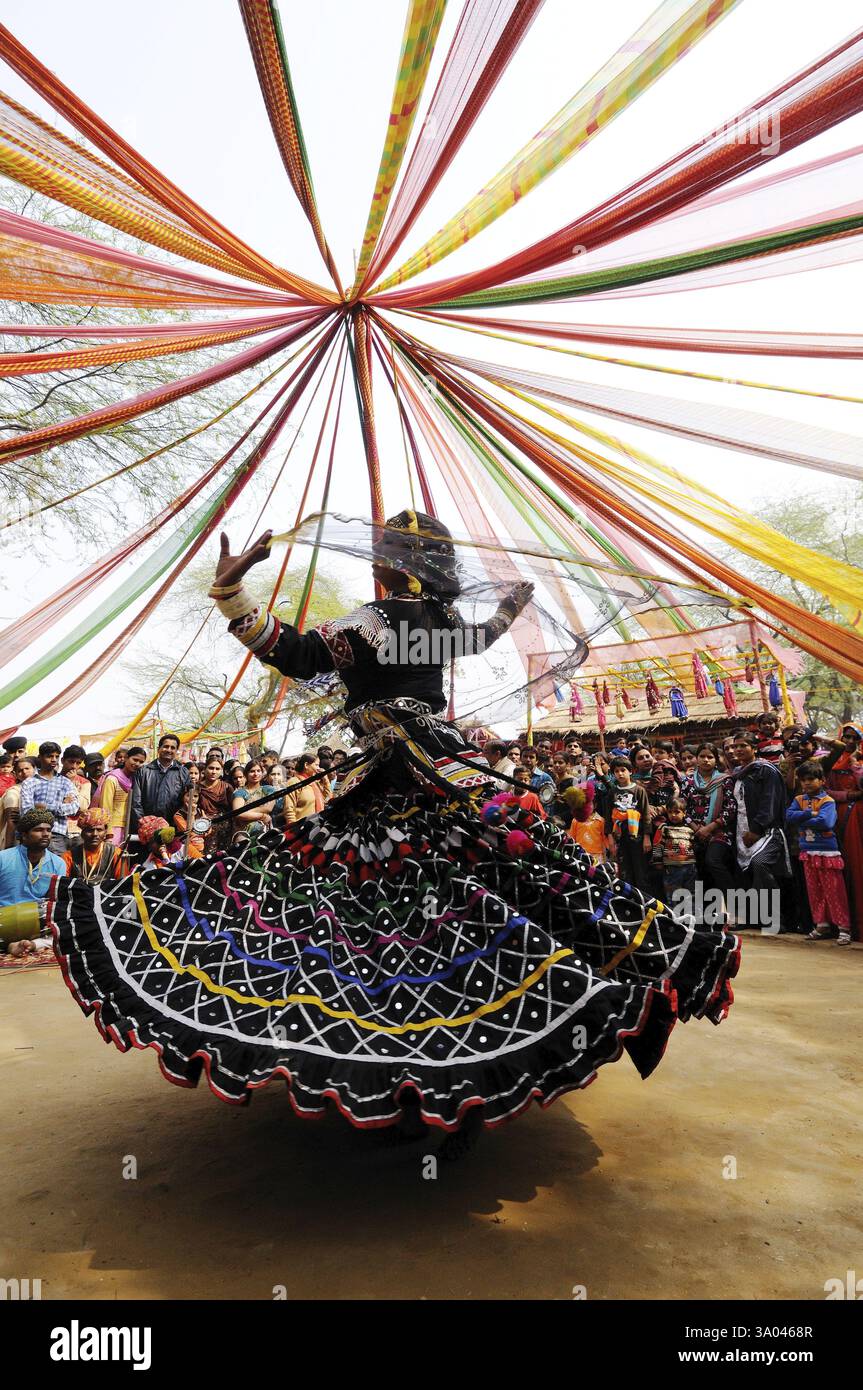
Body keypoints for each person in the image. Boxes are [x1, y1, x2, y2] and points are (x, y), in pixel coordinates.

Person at [50, 513, 739, 1149]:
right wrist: (510, 604)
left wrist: (231, 595)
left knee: (342, 906)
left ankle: (400, 1071)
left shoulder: (376, 619)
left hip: (397, 774)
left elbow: (293, 653)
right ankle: (463, 1066)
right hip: (431, 767)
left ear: (384, 567)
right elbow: (485, 635)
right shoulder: (438, 623)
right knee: (496, 885)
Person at [731, 731, 791, 933]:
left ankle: (776, 919)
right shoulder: (739, 773)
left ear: (754, 748)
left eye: (743, 746)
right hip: (742, 829)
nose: (738, 750)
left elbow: (770, 800)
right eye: (735, 746)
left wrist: (756, 829)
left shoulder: (766, 770)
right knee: (743, 873)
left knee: (760, 864)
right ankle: (750, 918)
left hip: (766, 830)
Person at [786, 762, 851, 944]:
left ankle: (843, 927)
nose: (806, 783)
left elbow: (827, 822)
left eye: (811, 779)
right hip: (807, 851)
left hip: (827, 852)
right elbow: (789, 816)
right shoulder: (799, 799)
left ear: (822, 780)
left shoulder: (828, 801)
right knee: (815, 891)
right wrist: (812, 814)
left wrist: (804, 816)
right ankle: (822, 924)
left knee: (834, 891)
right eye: (803, 780)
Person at [19, 742, 79, 856]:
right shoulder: (29, 782)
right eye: (49, 756)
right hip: (33, 834)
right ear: (40, 757)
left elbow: (74, 808)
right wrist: (61, 805)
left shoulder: (65, 782)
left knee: (55, 870)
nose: (54, 760)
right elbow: (26, 811)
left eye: (57, 756)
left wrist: (44, 806)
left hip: (57, 834)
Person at [0, 806, 66, 907]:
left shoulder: (58, 864)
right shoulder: (3, 858)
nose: (45, 834)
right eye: (39, 830)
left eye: (48, 830)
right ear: (24, 835)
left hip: (37, 919)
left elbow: (55, 901)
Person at [603, 756, 652, 891]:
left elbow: (646, 814)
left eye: (623, 770)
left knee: (641, 870)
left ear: (630, 771)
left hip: (637, 835)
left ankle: (645, 901)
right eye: (616, 771)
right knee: (625, 871)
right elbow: (608, 817)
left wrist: (647, 837)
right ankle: (629, 901)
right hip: (619, 835)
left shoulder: (639, 790)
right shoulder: (612, 792)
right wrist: (611, 839)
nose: (620, 773)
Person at [130, 734, 190, 833]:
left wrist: (178, 825)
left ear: (176, 751)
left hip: (172, 829)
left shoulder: (183, 773)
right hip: (146, 829)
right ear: (159, 749)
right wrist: (145, 825)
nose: (169, 750)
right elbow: (136, 802)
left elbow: (185, 802)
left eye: (173, 748)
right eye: (166, 746)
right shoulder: (143, 771)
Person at [93, 746, 147, 847]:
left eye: (141, 762)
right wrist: (108, 833)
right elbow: (106, 806)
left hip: (129, 827)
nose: (137, 764)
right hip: (113, 828)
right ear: (126, 758)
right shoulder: (112, 779)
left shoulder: (136, 780)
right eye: (135, 759)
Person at [653, 798, 697, 905]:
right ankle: (675, 918)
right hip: (671, 868)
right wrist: (658, 862)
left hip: (690, 868)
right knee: (673, 896)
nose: (673, 815)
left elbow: (694, 846)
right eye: (670, 812)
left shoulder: (689, 829)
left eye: (677, 812)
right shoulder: (664, 828)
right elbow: (657, 844)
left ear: (684, 813)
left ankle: (692, 918)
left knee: (692, 894)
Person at [64, 809, 125, 885]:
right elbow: (64, 885)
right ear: (82, 833)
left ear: (105, 831)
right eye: (90, 830)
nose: (95, 834)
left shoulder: (116, 853)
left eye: (99, 830)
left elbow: (121, 884)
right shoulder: (69, 856)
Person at [231, 758, 274, 840]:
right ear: (246, 774)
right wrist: (262, 815)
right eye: (252, 771)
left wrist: (245, 811)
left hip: (265, 831)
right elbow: (239, 814)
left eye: (258, 771)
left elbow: (268, 808)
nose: (255, 774)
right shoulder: (240, 792)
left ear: (262, 773)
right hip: (243, 833)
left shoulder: (268, 789)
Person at [0, 756, 34, 850]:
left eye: (27, 768)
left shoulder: (41, 788)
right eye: (20, 770)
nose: (24, 772)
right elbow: (12, 822)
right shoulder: (14, 792)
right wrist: (9, 851)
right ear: (15, 774)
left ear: (34, 769)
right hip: (16, 841)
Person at [61, 744, 92, 845]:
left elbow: (83, 807)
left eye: (78, 763)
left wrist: (71, 784)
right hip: (57, 830)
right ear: (62, 760)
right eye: (71, 762)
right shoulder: (53, 780)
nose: (74, 766)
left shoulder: (85, 783)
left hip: (77, 831)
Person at [283, 753, 321, 825]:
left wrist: (326, 781)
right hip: (299, 828)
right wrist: (293, 828)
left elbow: (327, 799)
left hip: (314, 827)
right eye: (316, 765)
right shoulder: (294, 782)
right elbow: (289, 809)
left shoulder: (314, 784)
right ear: (306, 765)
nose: (318, 768)